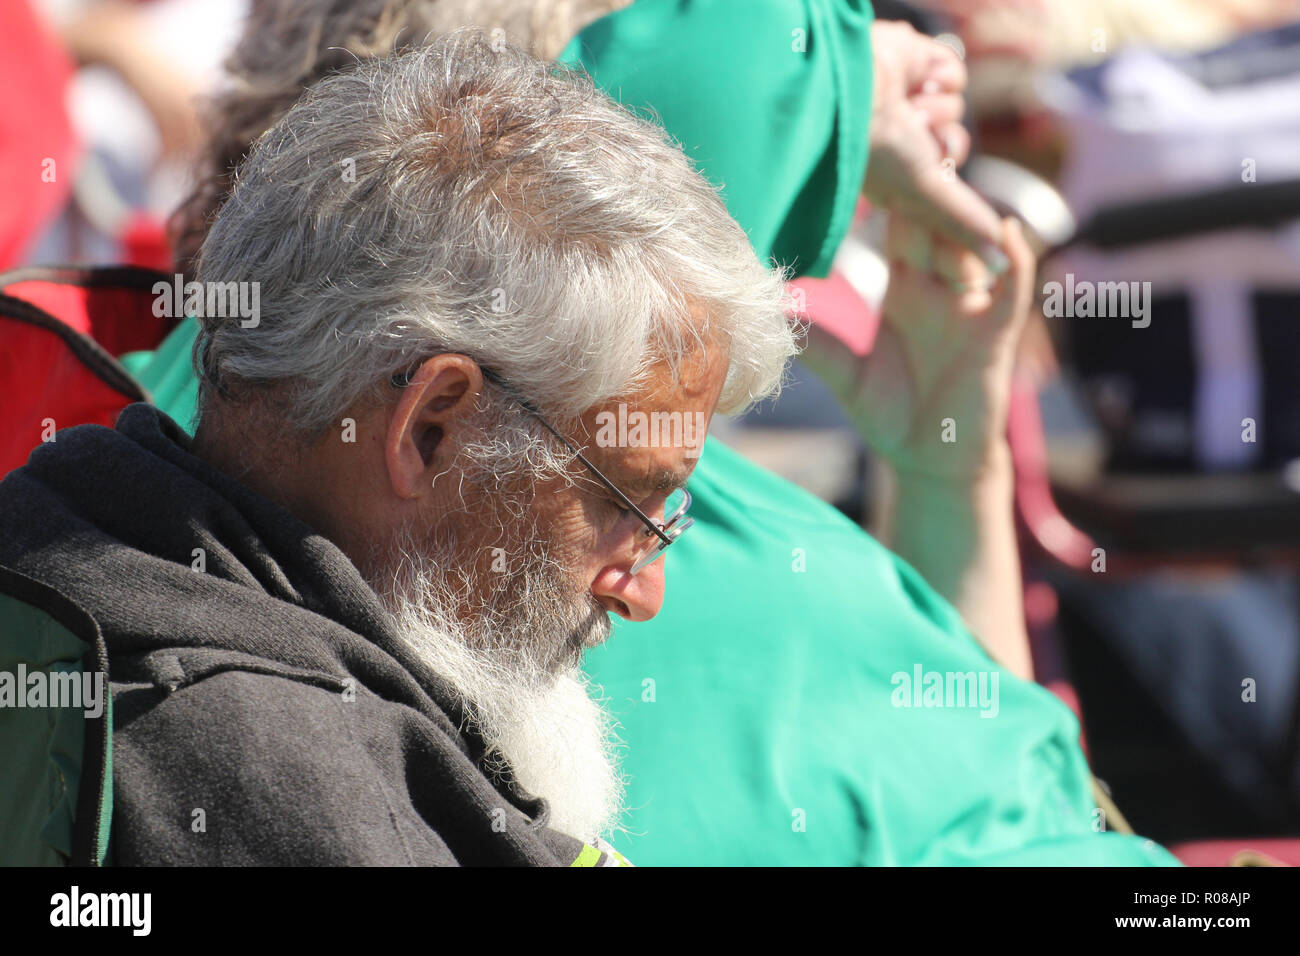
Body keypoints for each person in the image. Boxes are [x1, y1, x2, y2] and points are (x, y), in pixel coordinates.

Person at [116, 0, 1179, 864]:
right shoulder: (518, 399)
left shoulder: (582, 419)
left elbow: (983, 748)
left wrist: (945, 468)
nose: (647, 585)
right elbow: (744, 60)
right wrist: (854, 69)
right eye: (633, 504)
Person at [0, 32, 796, 865]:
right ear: (431, 429)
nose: (644, 591)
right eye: (626, 503)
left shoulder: (59, 561)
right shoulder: (291, 797)